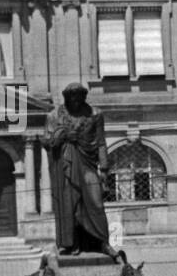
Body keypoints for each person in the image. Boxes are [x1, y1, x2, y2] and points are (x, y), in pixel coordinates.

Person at [40, 83, 119, 259]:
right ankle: (70, 244)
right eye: (72, 98)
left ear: (84, 97)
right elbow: (46, 140)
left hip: (88, 164)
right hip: (64, 166)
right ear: (66, 98)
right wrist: (61, 136)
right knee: (69, 204)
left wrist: (104, 168)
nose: (76, 101)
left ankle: (103, 243)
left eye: (79, 97)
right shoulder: (54, 116)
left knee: (95, 201)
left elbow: (100, 142)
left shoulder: (95, 114)